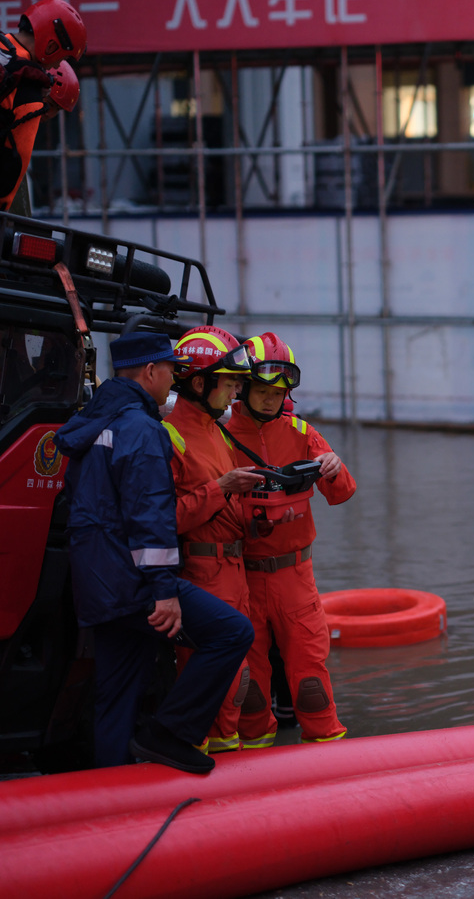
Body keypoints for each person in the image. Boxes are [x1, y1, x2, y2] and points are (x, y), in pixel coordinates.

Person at [54, 331, 253, 774]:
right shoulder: (142, 429)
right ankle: (170, 735)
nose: (174, 379)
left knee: (116, 695)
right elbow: (150, 518)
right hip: (134, 584)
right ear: (150, 371)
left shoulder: (96, 421)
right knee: (232, 633)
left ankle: (112, 794)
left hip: (98, 584)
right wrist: (163, 592)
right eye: (169, 370)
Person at [225, 332, 354, 748]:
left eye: (277, 392)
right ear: (243, 387)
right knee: (248, 682)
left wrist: (333, 467)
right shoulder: (221, 433)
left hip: (294, 573)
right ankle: (253, 758)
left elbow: (344, 492)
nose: (269, 399)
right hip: (240, 573)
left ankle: (326, 750)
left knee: (310, 671)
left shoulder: (300, 431)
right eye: (261, 390)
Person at [165, 325, 263, 753]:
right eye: (231, 383)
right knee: (206, 681)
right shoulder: (170, 436)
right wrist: (222, 487)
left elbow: (225, 504)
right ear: (200, 382)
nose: (237, 392)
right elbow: (162, 521)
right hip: (201, 573)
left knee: (235, 684)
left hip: (235, 571)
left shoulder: (216, 430)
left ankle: (229, 767)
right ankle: (196, 758)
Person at [0, 0, 86, 211]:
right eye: (63, 57)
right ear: (51, 45)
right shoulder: (27, 89)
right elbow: (12, 171)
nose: (58, 65)